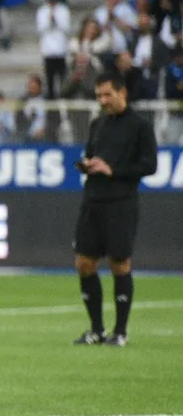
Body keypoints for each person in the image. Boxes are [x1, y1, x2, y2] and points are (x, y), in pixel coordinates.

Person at [71, 71, 158, 348]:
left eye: (108, 94)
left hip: (121, 201)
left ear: (123, 93)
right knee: (84, 263)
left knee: (119, 263)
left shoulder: (140, 126)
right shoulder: (97, 124)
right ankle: (96, 329)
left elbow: (150, 165)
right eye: (99, 96)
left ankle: (120, 331)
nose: (103, 100)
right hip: (93, 199)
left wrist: (113, 170)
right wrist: (88, 164)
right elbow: (92, 153)